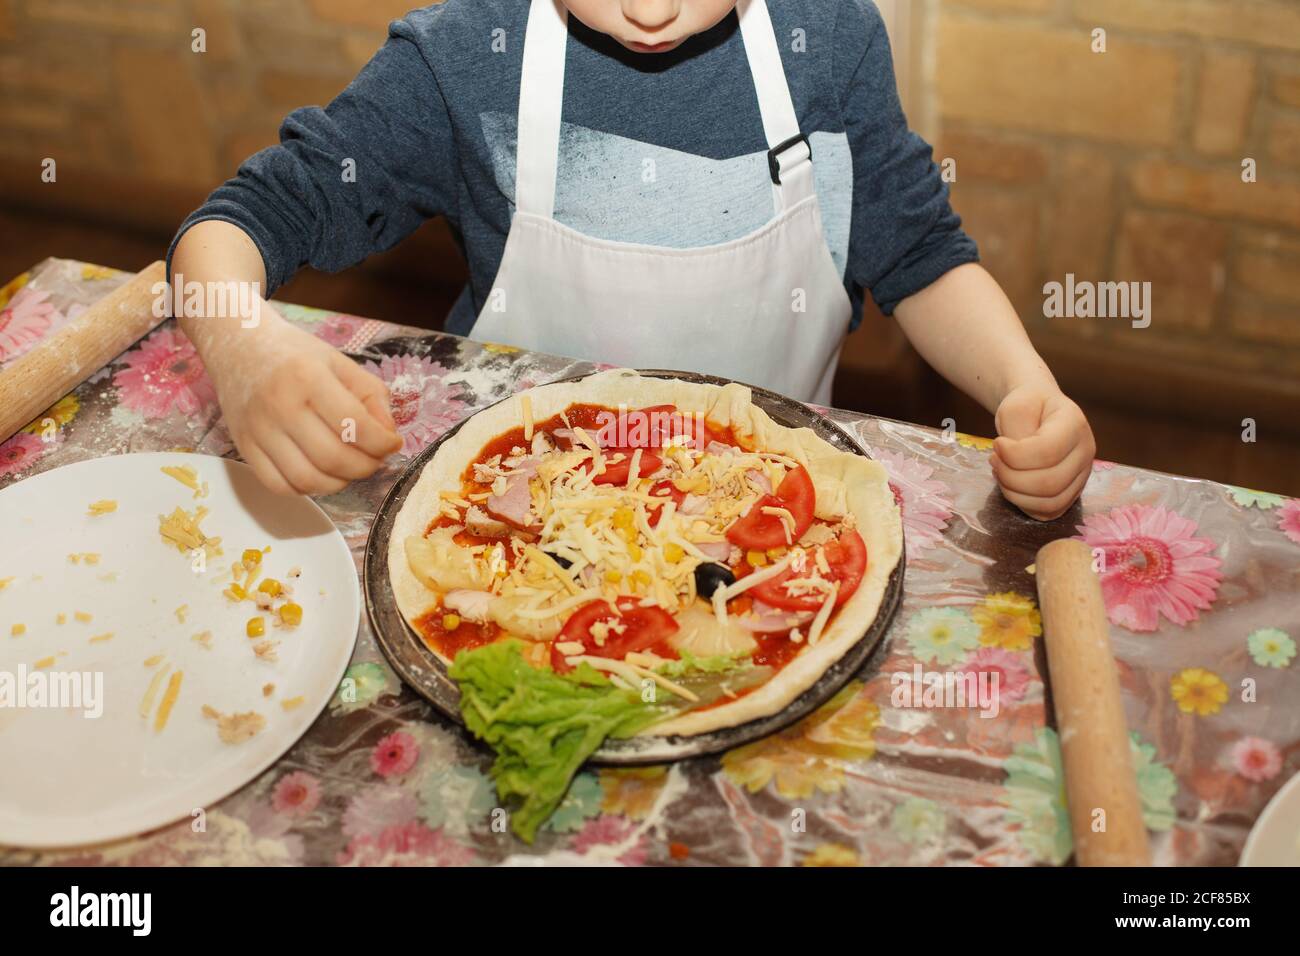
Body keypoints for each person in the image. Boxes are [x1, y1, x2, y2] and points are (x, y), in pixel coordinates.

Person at [169, 0, 1095, 519]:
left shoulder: (833, 46)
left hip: (762, 515)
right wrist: (243, 344)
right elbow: (243, 220)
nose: (650, 9)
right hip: (515, 514)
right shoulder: (461, 60)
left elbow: (922, 258)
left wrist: (1024, 385)